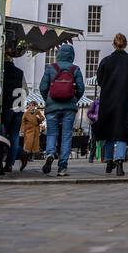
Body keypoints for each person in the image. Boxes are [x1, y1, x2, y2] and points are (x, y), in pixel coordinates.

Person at [96, 32, 128, 176]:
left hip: (108, 99)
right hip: (124, 99)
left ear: (113, 44)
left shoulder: (105, 61)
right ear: (125, 44)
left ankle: (109, 161)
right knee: (121, 131)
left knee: (109, 130)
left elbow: (100, 81)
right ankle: (120, 162)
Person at [38, 44, 85, 177]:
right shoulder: (75, 69)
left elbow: (43, 87)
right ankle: (62, 167)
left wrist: (48, 99)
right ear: (72, 55)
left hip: (52, 107)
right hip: (69, 108)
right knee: (66, 136)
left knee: (52, 133)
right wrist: (74, 100)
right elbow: (81, 88)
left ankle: (50, 153)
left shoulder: (50, 68)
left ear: (58, 54)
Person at [0, 55, 25, 173]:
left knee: (2, 136)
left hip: (6, 107)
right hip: (19, 108)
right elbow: (26, 91)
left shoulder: (1, 72)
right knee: (15, 136)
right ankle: (10, 164)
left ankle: (0, 162)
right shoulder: (20, 72)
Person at [18, 99, 44, 171]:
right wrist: (22, 131)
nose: (31, 107)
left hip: (36, 130)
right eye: (30, 105)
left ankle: (31, 156)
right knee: (27, 144)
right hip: (28, 130)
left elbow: (42, 118)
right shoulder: (26, 113)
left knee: (34, 145)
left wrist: (39, 118)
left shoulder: (37, 112)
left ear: (35, 106)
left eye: (33, 105)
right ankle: (25, 157)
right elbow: (23, 122)